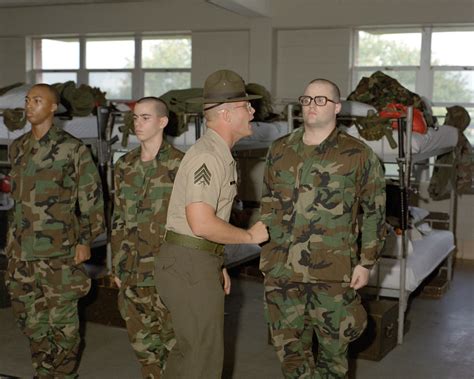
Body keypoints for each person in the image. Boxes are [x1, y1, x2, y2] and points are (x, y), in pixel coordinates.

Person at [260, 78, 386, 378]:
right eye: (306, 100)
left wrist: (366, 262)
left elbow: (375, 213)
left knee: (333, 356)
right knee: (291, 356)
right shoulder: (279, 150)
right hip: (282, 271)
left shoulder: (358, 154)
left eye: (320, 100)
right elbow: (268, 203)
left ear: (337, 107)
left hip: (333, 273)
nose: (311, 106)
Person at [155, 69, 269, 379]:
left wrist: (215, 263)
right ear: (228, 114)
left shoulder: (218, 153)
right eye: (247, 106)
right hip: (189, 266)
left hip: (196, 262)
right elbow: (201, 222)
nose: (253, 111)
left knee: (189, 356)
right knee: (202, 362)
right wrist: (248, 235)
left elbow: (198, 227)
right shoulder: (208, 158)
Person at [5, 83, 105, 378]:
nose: (28, 105)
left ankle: (62, 375)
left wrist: (85, 240)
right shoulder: (17, 147)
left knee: (62, 324)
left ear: (53, 108)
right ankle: (43, 371)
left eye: (37, 100)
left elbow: (92, 199)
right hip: (21, 253)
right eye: (27, 100)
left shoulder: (72, 148)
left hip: (59, 252)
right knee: (30, 321)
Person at [111, 97, 183, 378]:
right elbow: (117, 216)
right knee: (144, 348)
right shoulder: (124, 165)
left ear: (162, 122)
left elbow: (195, 222)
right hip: (131, 270)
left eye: (145, 118)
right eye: (135, 118)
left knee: (175, 346)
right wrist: (116, 264)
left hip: (169, 271)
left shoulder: (180, 165)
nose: (137, 124)